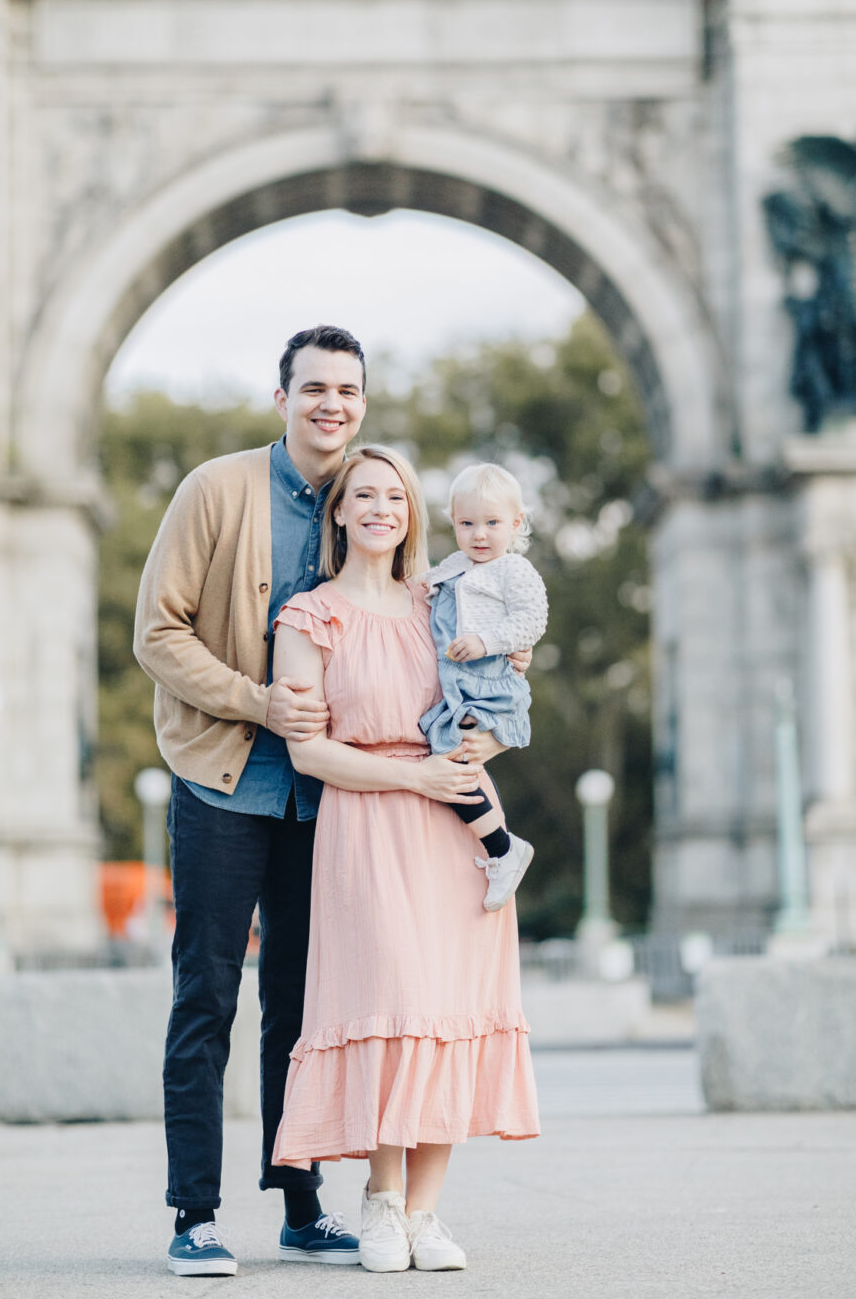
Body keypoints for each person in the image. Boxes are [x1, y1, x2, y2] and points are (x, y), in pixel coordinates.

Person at [134, 325, 370, 1277]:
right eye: (314, 388)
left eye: (348, 392)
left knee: (305, 1008)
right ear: (282, 400)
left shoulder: (370, 497)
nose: (331, 406)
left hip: (325, 799)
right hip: (221, 786)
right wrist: (255, 697)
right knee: (207, 998)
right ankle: (194, 1212)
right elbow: (158, 631)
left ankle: (301, 1205)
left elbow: (411, 612)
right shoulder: (214, 489)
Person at [271, 445, 540, 1274]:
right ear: (340, 511)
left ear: (409, 516)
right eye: (365, 494)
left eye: (396, 495)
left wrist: (477, 750)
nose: (382, 507)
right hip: (369, 820)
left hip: (457, 823)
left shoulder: (444, 601)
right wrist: (412, 774)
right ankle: (381, 1203)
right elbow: (308, 752)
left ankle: (427, 1214)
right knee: (392, 1001)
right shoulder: (308, 616)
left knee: (448, 1010)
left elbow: (504, 696)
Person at [420, 461, 548, 912]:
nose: (479, 534)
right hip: (461, 691)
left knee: (453, 760)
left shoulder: (513, 570)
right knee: (448, 760)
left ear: (516, 524)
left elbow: (532, 619)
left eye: (492, 523)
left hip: (489, 686)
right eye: (467, 523)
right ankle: (500, 847)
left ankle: (503, 848)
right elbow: (425, 594)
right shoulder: (452, 568)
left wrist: (487, 641)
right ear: (453, 523)